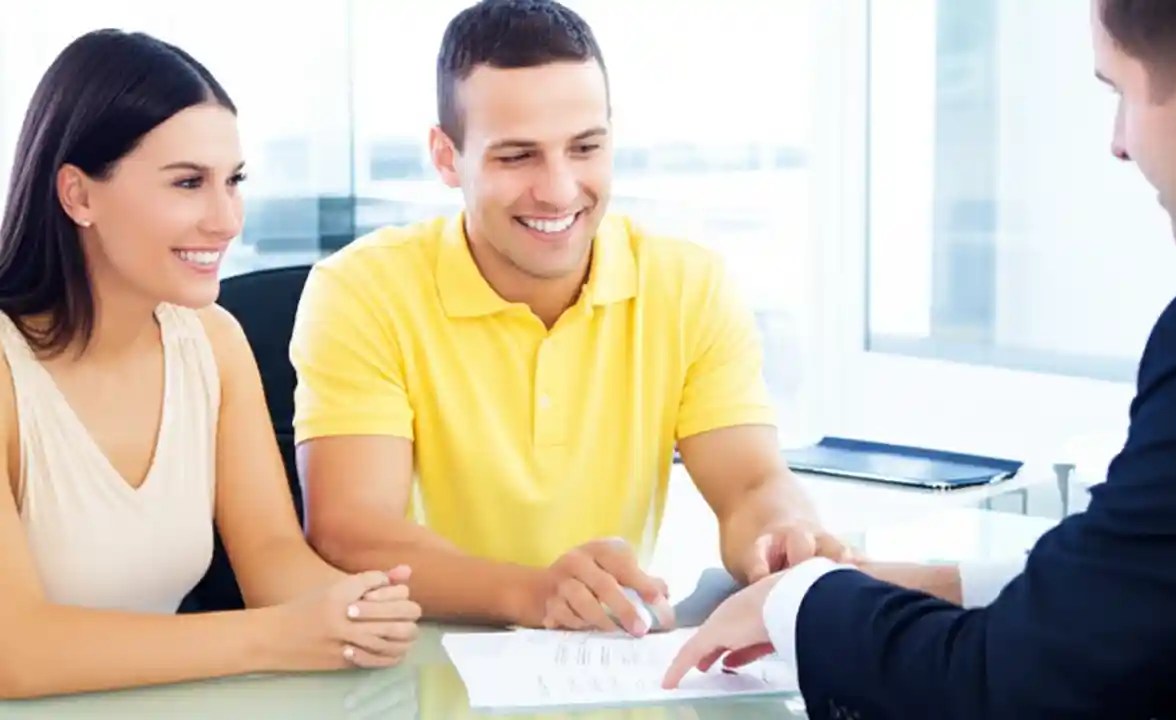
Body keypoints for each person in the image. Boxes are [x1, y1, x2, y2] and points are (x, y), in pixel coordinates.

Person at [664, 1, 1176, 717]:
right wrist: (923, 580)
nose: (1118, 143)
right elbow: (1170, 574)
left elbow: (1015, 685)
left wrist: (801, 604)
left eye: (1119, 93)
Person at [291, 0, 853, 636]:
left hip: (602, 663)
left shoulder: (688, 284)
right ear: (447, 158)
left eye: (584, 147)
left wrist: (784, 533)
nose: (559, 190)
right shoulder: (362, 291)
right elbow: (351, 531)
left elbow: (752, 484)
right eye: (517, 157)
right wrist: (531, 593)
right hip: (416, 665)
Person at [0, 29, 421, 700]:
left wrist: (350, 608)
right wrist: (276, 636)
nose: (227, 220)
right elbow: (15, 651)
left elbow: (272, 556)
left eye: (235, 182)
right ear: (78, 196)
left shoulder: (213, 342)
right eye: (189, 183)